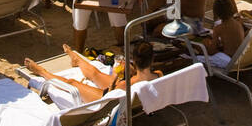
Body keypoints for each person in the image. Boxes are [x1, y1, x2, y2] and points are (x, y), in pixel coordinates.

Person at [23, 40, 159, 104]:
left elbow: (109, 95)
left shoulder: (126, 84)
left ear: (134, 60)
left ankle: (41, 72)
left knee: (73, 83)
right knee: (95, 74)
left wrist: (116, 74)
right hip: (129, 98)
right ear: (152, 60)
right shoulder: (159, 75)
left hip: (106, 101)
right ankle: (76, 59)